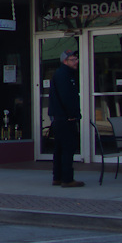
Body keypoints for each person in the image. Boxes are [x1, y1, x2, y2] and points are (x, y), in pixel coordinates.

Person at [48, 49, 84, 187]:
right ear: (65, 61)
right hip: (64, 118)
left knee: (60, 148)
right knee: (68, 148)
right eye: (73, 60)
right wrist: (71, 115)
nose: (76, 62)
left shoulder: (64, 74)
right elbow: (66, 97)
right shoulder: (63, 75)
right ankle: (67, 179)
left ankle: (57, 177)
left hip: (60, 117)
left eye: (76, 59)